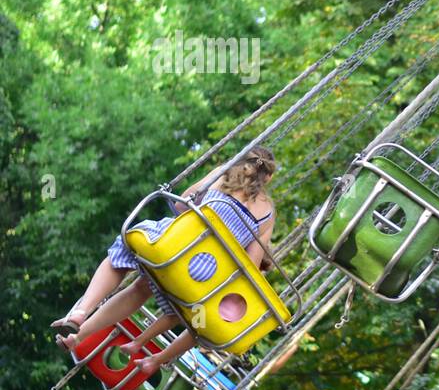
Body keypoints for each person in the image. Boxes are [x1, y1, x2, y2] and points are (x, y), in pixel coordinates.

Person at [52, 147, 278, 375]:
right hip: (201, 275)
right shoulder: (268, 212)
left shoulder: (223, 175)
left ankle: (82, 313)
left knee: (125, 254)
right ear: (268, 177)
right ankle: (82, 337)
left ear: (242, 162)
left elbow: (181, 205)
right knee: (182, 311)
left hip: (172, 248)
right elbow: (250, 264)